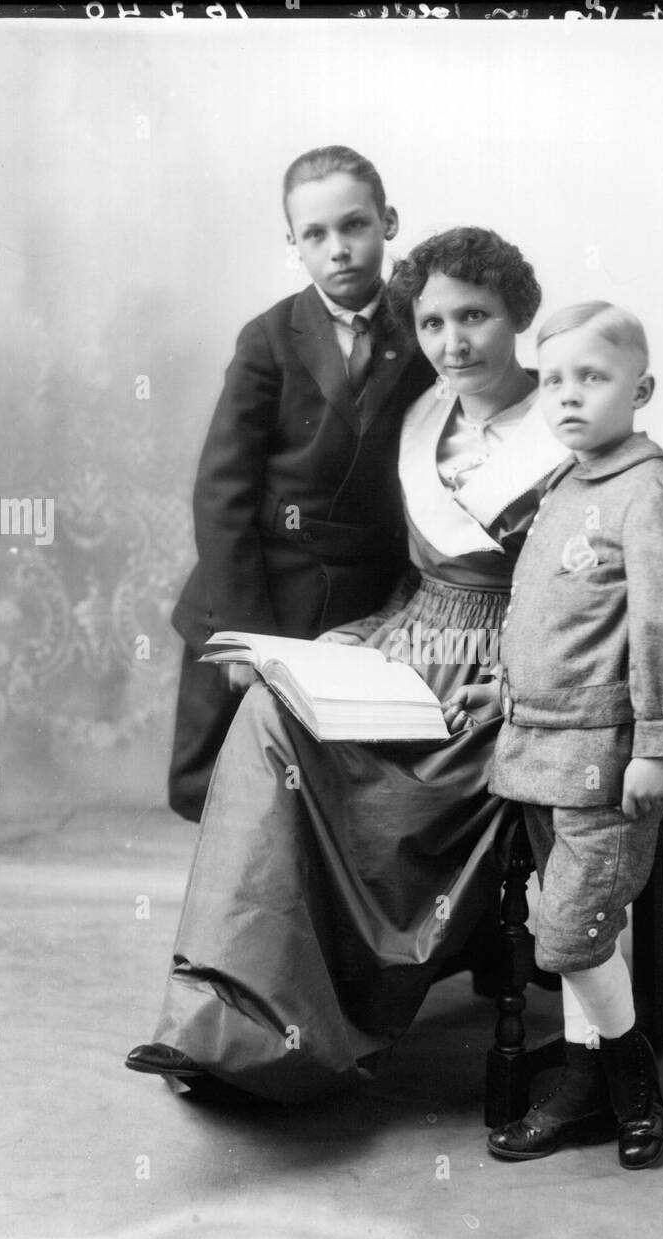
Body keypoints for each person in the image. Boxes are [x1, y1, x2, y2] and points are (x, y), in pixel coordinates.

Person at [127, 228, 568, 1101]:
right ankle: (224, 1021)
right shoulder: (421, 419)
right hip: (412, 650)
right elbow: (416, 576)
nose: (453, 342)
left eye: (475, 316)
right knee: (271, 717)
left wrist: (519, 689)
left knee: (388, 792)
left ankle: (301, 1034)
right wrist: (366, 634)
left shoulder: (569, 427)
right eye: (434, 322)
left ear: (518, 313)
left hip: (506, 677)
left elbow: (592, 609)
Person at [485, 301, 663, 1170]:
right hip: (535, 752)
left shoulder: (651, 497)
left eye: (593, 377)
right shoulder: (562, 490)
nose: (569, 397)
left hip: (606, 762)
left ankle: (628, 1080)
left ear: (641, 389)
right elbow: (544, 620)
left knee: (569, 938)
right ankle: (585, 1082)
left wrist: (659, 742)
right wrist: (500, 688)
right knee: (577, 928)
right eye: (552, 382)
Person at [168, 145, 435, 822]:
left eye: (354, 226)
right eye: (315, 235)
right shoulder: (270, 338)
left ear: (389, 222)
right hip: (258, 589)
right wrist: (244, 636)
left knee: (348, 795)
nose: (338, 249)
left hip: (361, 604)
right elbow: (221, 494)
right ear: (294, 244)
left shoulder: (428, 329)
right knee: (233, 792)